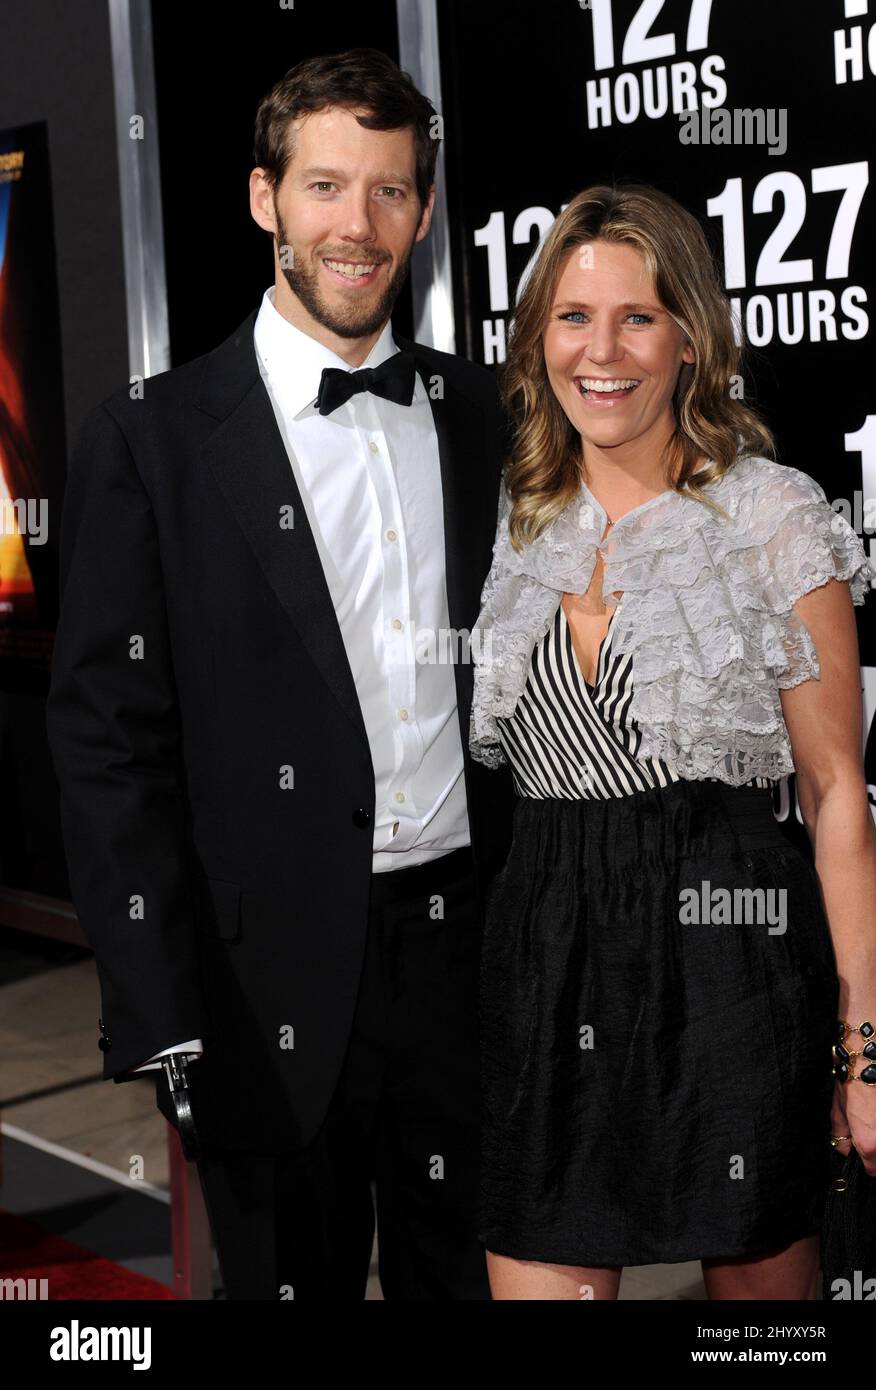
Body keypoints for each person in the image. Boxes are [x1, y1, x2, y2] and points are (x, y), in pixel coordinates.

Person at [46, 48, 513, 1300]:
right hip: (265, 984)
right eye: (324, 187)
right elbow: (105, 739)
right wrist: (157, 1005)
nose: (358, 227)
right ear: (265, 200)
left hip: (467, 960)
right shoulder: (151, 438)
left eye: (392, 191)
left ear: (423, 211)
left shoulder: (487, 414)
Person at [469, 183, 876, 1301]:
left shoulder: (774, 516)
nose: (602, 350)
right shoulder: (520, 516)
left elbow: (838, 791)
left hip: (732, 957)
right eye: (572, 316)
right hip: (547, 962)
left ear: (690, 337)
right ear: (536, 337)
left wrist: (865, 1052)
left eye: (637, 317)